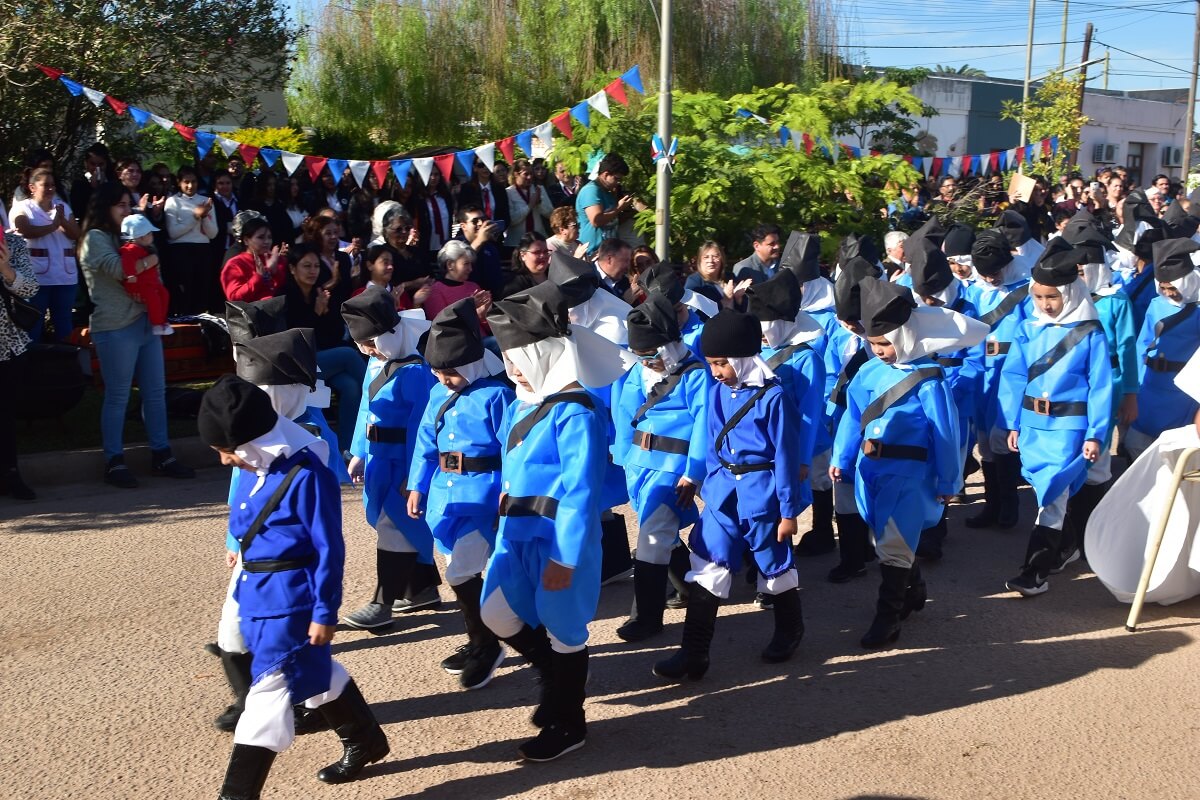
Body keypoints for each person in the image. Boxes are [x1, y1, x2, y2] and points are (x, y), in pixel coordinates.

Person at [201, 376, 389, 797]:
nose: (225, 461)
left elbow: (329, 549)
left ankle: (236, 794)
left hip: (293, 603)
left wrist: (325, 611)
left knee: (265, 699)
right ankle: (365, 738)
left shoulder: (307, 475)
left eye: (227, 451)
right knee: (311, 673)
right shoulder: (254, 471)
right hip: (258, 598)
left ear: (250, 441)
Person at [478, 280, 629, 761]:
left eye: (518, 361)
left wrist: (565, 558)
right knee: (496, 613)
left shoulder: (577, 412)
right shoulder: (528, 402)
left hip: (558, 542)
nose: (512, 372)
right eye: (507, 361)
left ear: (545, 353)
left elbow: (582, 496)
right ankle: (553, 678)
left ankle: (570, 721)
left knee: (565, 630)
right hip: (516, 536)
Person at [653, 309, 805, 681]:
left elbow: (786, 457)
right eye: (712, 363)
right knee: (707, 562)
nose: (717, 371)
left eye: (722, 363)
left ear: (743, 358)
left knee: (773, 562)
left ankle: (790, 628)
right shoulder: (717, 390)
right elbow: (710, 443)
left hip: (762, 494)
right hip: (723, 495)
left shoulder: (774, 398)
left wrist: (788, 511)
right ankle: (694, 653)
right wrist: (709, 485)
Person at [831, 278, 985, 645]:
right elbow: (853, 418)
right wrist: (842, 456)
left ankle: (889, 616)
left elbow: (946, 435)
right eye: (874, 343)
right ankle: (913, 588)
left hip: (911, 474)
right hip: (871, 472)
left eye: (885, 343)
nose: (880, 350)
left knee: (894, 541)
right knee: (883, 535)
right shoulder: (867, 372)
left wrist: (949, 482)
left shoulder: (931, 380)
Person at [407, 299, 514, 689]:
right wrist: (417, 484)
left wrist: (508, 491)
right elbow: (424, 443)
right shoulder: (438, 395)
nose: (443, 380)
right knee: (463, 567)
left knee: (461, 571)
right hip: (445, 497)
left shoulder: (496, 395)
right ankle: (480, 637)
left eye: (450, 373)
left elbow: (510, 449)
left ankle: (487, 645)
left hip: (483, 499)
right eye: (437, 373)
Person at [999, 238, 1112, 596]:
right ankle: (1069, 546)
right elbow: (1014, 376)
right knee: (1046, 491)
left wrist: (1095, 434)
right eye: (1039, 297)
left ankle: (1035, 572)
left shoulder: (1090, 333)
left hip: (1068, 429)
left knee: (1052, 496)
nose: (1046, 305)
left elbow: (1100, 387)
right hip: (1034, 426)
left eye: (1053, 297)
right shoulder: (1026, 329)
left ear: (1071, 292)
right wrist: (1012, 422)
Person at [78, 183, 194, 488]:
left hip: (146, 323)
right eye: (120, 205)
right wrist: (151, 259)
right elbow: (119, 269)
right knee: (117, 396)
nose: (127, 210)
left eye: (129, 204)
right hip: (115, 326)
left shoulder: (131, 234)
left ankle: (162, 454)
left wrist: (149, 265)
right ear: (104, 208)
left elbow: (153, 277)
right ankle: (114, 461)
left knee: (155, 393)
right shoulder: (95, 238)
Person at [610, 293, 710, 642]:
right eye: (640, 357)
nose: (647, 363)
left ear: (669, 345)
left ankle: (647, 617)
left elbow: (703, 425)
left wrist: (693, 473)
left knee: (651, 539)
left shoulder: (697, 375)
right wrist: (622, 457)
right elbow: (624, 414)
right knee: (661, 534)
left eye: (651, 355)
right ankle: (688, 587)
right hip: (639, 465)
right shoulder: (639, 372)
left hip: (672, 468)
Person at [340, 292, 437, 630]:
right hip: (379, 459)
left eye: (372, 342)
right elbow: (365, 412)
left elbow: (420, 428)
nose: (368, 350)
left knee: (393, 527)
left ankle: (382, 604)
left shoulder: (415, 372)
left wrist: (414, 476)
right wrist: (358, 453)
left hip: (400, 462)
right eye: (362, 345)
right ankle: (421, 588)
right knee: (392, 522)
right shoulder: (376, 365)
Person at [906, 237, 984, 560]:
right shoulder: (911, 308)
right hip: (920, 394)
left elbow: (977, 361)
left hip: (955, 399)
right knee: (919, 462)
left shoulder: (966, 309)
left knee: (946, 462)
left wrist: (952, 389)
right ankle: (919, 526)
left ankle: (937, 529)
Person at [746, 269, 826, 578]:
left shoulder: (807, 358)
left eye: (767, 329)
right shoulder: (753, 352)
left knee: (783, 509)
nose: (763, 335)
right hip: (758, 444)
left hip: (791, 446)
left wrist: (802, 458)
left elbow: (810, 413)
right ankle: (758, 562)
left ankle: (777, 572)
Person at [964, 229, 1032, 531]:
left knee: (1003, 437)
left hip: (1010, 374)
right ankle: (991, 505)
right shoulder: (975, 291)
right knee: (983, 440)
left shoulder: (1027, 289)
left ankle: (1009, 506)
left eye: (995, 271)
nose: (991, 278)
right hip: (983, 373)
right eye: (986, 273)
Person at [281, 245, 365, 456]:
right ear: (292, 268)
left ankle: (346, 448)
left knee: (351, 386)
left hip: (320, 359)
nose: (312, 271)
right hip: (296, 365)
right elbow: (294, 339)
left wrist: (324, 312)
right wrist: (315, 314)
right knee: (348, 355)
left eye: (316, 266)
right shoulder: (285, 295)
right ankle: (379, 390)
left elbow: (333, 334)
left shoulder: (320, 292)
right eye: (306, 266)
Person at [1124, 238, 1200, 462]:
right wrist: (1134, 386)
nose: (1169, 293)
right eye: (1164, 288)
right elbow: (1142, 345)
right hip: (1150, 386)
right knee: (1137, 444)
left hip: (1183, 392)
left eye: (1173, 288)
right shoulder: (1157, 304)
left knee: (1176, 450)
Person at [10, 167, 80, 342]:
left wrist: (61, 220)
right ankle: (33, 363)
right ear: (32, 187)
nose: (50, 189)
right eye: (45, 185)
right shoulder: (23, 208)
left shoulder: (62, 207)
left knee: (64, 321)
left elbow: (77, 234)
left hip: (65, 277)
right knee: (34, 321)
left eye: (53, 185)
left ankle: (66, 362)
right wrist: (52, 226)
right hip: (37, 278)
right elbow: (25, 229)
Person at [0, 232, 39, 500]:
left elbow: (31, 288)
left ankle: (10, 475)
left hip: (8, 345)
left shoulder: (13, 244)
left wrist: (5, 268)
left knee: (5, 417)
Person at [163, 166, 219, 314]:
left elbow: (213, 233)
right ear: (179, 182)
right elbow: (173, 233)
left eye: (193, 181)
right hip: (181, 252)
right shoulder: (172, 202)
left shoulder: (205, 201)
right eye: (186, 181)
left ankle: (200, 329)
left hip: (203, 251)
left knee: (201, 292)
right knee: (184, 293)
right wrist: (195, 217)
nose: (190, 185)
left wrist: (204, 216)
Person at [117, 214, 172, 336]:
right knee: (154, 299)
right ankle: (157, 324)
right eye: (150, 233)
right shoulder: (129, 249)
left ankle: (162, 320)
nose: (152, 236)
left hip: (151, 282)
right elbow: (127, 263)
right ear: (141, 237)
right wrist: (131, 275)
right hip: (141, 284)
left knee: (164, 294)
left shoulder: (147, 248)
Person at [576, 153, 633, 256]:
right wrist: (619, 208)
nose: (618, 183)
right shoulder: (591, 190)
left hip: (610, 253)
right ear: (606, 174)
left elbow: (612, 220)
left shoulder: (608, 192)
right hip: (592, 253)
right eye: (616, 179)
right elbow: (596, 220)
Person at [220, 217, 288, 303]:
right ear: (246, 240)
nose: (267, 241)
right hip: (250, 314)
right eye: (261, 237)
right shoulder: (235, 264)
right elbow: (234, 298)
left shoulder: (277, 259)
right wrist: (259, 277)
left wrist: (275, 271)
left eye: (269, 237)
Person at [505, 159, 555, 249]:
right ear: (516, 174)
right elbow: (512, 220)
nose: (529, 177)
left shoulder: (538, 189)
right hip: (516, 242)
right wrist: (529, 206)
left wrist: (539, 203)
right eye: (526, 174)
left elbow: (550, 214)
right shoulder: (508, 192)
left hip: (539, 240)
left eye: (531, 174)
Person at [457, 161, 510, 231]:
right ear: (475, 168)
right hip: (474, 234)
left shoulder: (499, 189)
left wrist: (499, 231)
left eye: (488, 164)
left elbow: (505, 214)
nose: (485, 168)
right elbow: (462, 214)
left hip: (495, 235)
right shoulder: (467, 189)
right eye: (481, 165)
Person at [502, 232, 551, 298]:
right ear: (523, 255)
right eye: (537, 252)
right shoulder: (514, 284)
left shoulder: (555, 275)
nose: (543, 256)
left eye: (545, 252)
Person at [594, 237, 636, 304]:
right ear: (609, 259)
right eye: (625, 261)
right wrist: (624, 302)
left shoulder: (625, 284)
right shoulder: (586, 279)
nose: (628, 266)